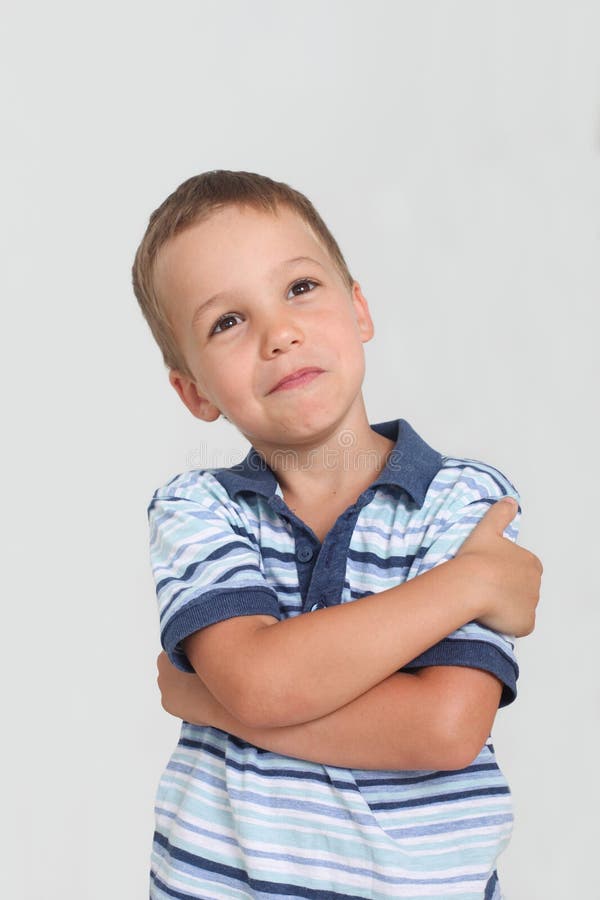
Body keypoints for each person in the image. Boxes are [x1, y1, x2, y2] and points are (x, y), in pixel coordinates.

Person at [132, 170, 542, 900]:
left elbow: (443, 730)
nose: (278, 334)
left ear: (359, 309)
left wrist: (206, 698)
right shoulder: (198, 509)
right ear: (193, 391)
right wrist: (467, 584)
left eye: (299, 289)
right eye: (227, 322)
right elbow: (259, 683)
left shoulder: (462, 501)